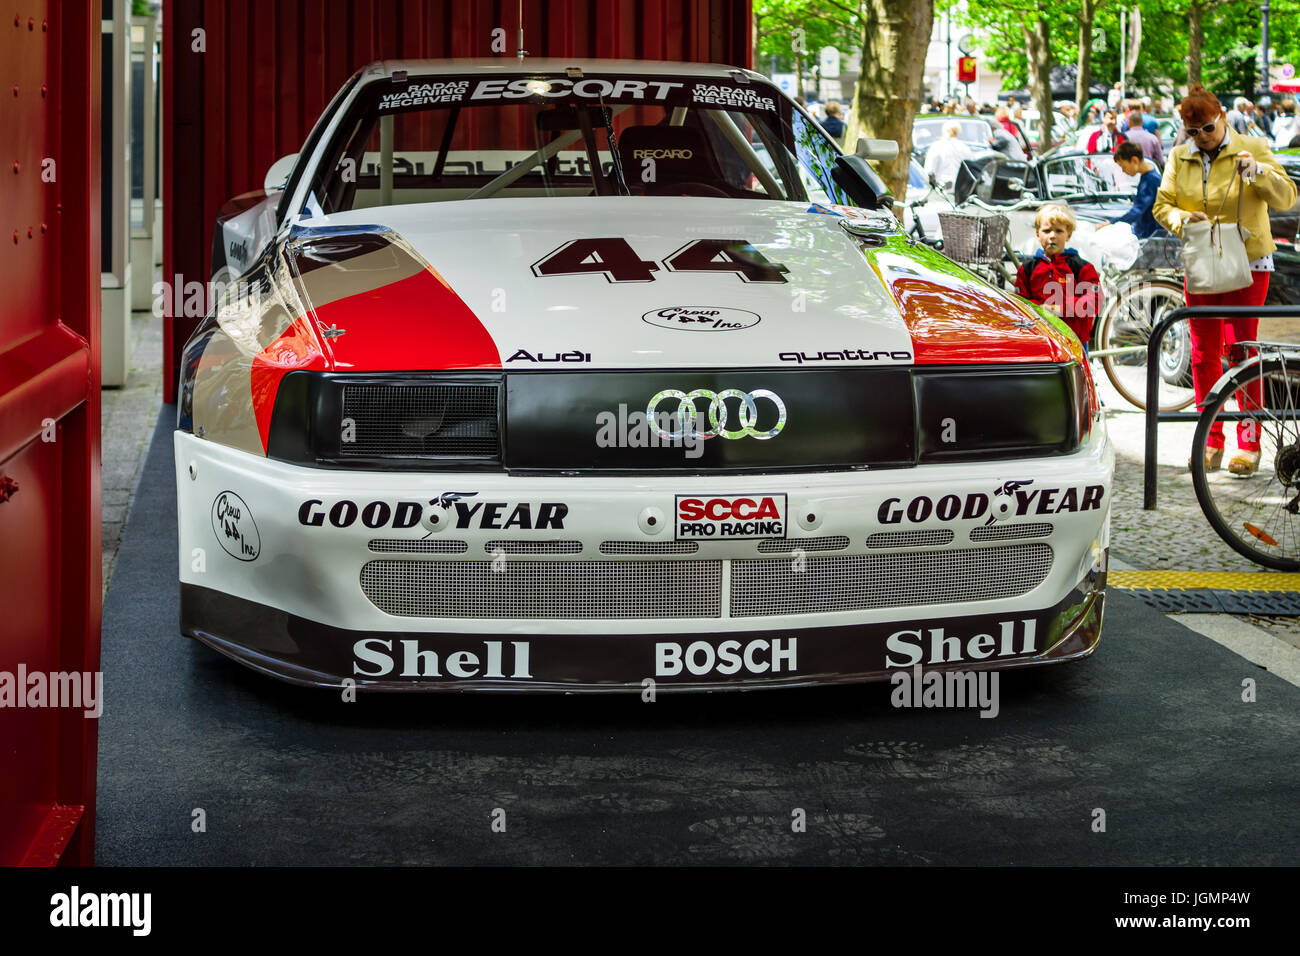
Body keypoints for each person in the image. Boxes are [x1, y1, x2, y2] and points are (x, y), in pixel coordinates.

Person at [1153, 83, 1298, 476]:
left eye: (1207, 129)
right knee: (1202, 353)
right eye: (1192, 131)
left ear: (1222, 119)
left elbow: (1287, 198)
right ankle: (1209, 438)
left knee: (1241, 350)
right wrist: (1183, 220)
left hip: (1248, 262)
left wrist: (1259, 173)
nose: (1201, 138)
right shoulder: (1180, 156)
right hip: (1202, 261)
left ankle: (1248, 442)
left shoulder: (1253, 146)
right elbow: (1162, 205)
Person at [1014, 204, 1103, 349]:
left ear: (1068, 235)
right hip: (1041, 340)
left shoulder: (1082, 267)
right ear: (1037, 234)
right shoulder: (1027, 268)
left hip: (1075, 340)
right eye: (1047, 231)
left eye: (1059, 231)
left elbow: (1095, 299)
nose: (1052, 236)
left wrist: (1061, 308)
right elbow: (1020, 302)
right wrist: (1041, 309)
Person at [1110, 141, 1168, 238]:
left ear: (1135, 160)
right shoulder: (1148, 177)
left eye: (1123, 166)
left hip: (1152, 236)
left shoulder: (1151, 180)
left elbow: (1138, 210)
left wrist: (1112, 222)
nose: (1123, 171)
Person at [924, 120, 974, 191]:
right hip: (959, 189)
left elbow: (929, 171)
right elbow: (970, 170)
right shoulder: (965, 148)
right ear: (957, 132)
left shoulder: (936, 146)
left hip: (941, 188)